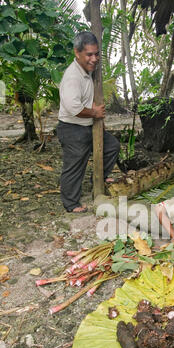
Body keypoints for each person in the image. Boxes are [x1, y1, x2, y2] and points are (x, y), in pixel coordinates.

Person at [57, 31, 120, 213]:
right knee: (75, 165)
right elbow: (73, 108)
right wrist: (94, 112)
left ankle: (98, 179)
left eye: (96, 54)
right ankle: (71, 203)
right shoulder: (72, 77)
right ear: (77, 53)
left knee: (111, 146)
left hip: (87, 125)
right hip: (71, 128)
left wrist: (97, 117)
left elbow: (86, 98)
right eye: (89, 54)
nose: (94, 59)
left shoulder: (87, 71)